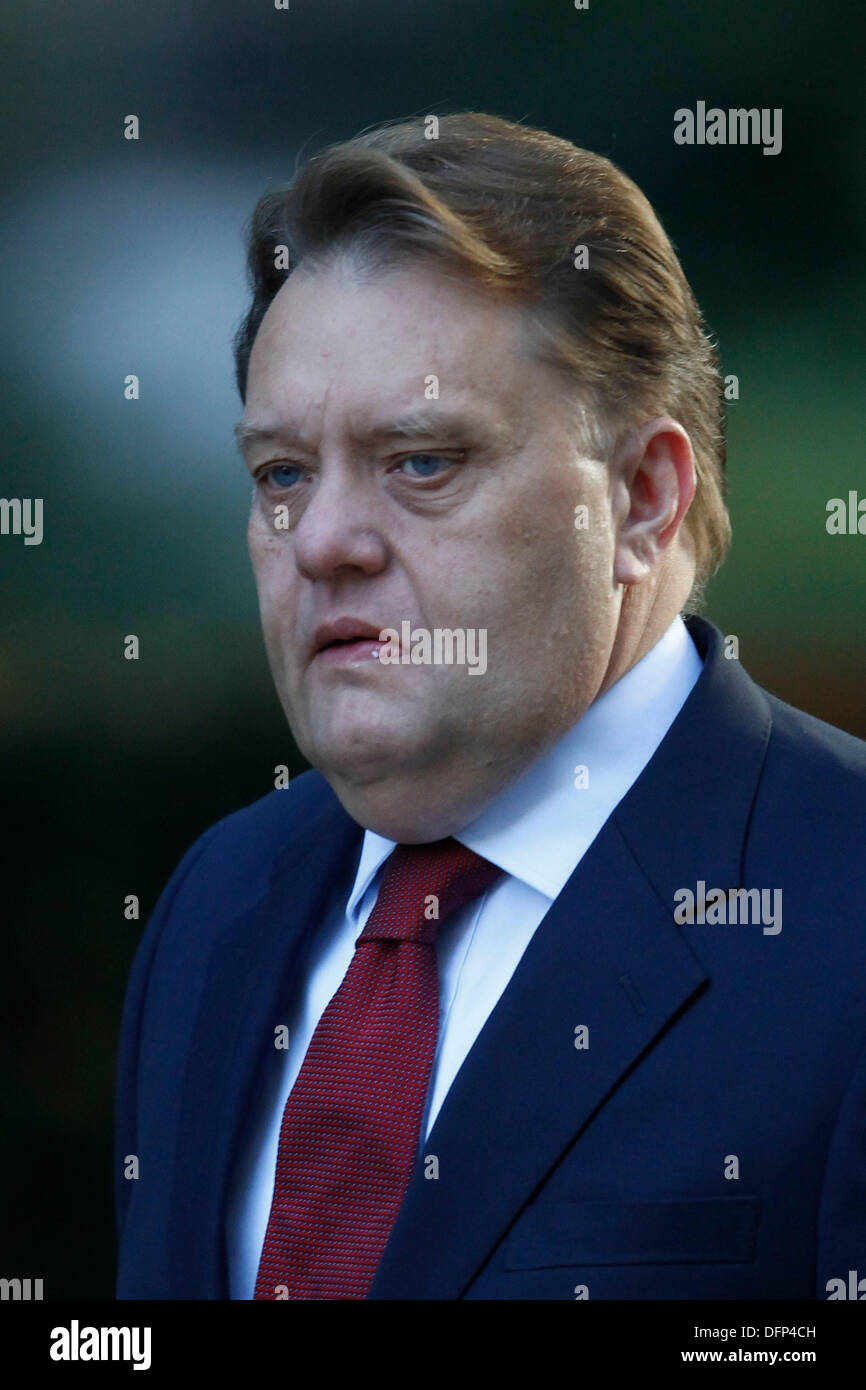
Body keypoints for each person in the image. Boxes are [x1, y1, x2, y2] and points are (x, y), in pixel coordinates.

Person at [114, 112, 866, 1301]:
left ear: (638, 500)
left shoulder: (841, 910)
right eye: (282, 474)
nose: (320, 541)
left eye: (420, 461)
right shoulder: (219, 901)